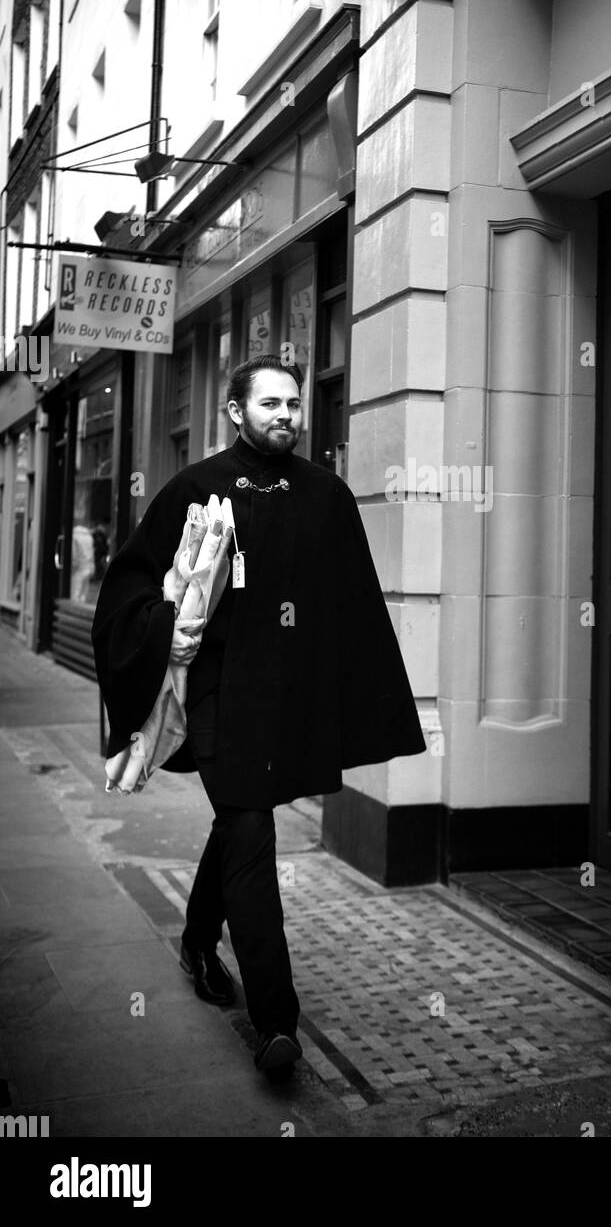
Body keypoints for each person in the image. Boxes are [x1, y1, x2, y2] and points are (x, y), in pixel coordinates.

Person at [92, 355, 425, 1072]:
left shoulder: (327, 496)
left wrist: (359, 707)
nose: (287, 415)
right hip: (218, 699)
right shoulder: (196, 487)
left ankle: (194, 935)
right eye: (270, 403)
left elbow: (353, 610)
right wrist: (164, 624)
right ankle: (277, 1022)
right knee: (251, 830)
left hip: (287, 706)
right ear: (236, 412)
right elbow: (127, 587)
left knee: (238, 819)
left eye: (295, 404)